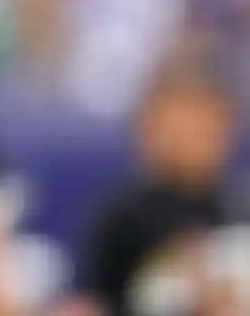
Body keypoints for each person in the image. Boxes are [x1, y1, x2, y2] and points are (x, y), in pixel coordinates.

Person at [66, 72, 243, 315]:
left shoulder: (235, 209)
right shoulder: (126, 215)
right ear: (149, 132)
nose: (192, 144)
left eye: (205, 132)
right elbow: (89, 299)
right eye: (179, 129)